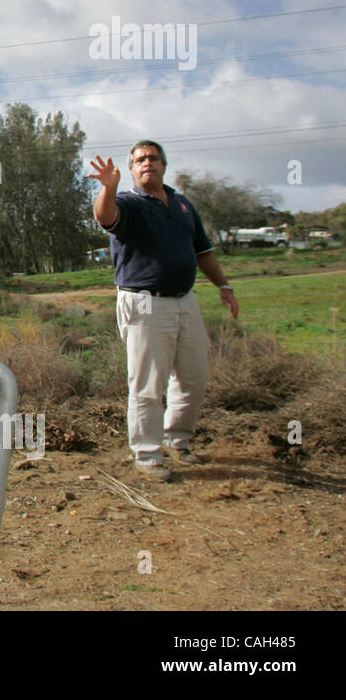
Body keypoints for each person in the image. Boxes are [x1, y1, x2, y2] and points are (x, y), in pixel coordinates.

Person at [88, 141, 239, 483]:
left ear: (163, 165)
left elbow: (203, 251)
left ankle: (177, 439)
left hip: (185, 300)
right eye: (140, 159)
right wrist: (107, 190)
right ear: (132, 169)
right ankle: (147, 455)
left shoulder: (183, 205)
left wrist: (224, 287)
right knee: (147, 384)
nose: (147, 163)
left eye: (153, 158)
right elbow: (105, 217)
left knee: (193, 378)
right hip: (144, 302)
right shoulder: (127, 202)